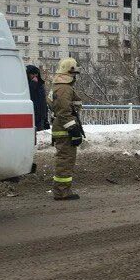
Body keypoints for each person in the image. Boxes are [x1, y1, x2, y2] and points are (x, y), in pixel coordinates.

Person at [48, 57, 84, 201]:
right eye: (74, 73)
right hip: (65, 130)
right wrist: (73, 130)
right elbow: (63, 111)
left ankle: (62, 190)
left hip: (62, 128)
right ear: (69, 72)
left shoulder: (60, 86)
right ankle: (62, 191)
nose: (75, 76)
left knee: (65, 159)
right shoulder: (64, 88)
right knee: (65, 160)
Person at [26, 65, 49, 132]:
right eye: (32, 74)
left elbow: (43, 101)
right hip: (31, 115)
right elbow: (29, 94)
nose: (35, 76)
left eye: (36, 73)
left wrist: (45, 118)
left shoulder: (40, 84)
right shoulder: (25, 85)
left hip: (40, 116)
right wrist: (33, 84)